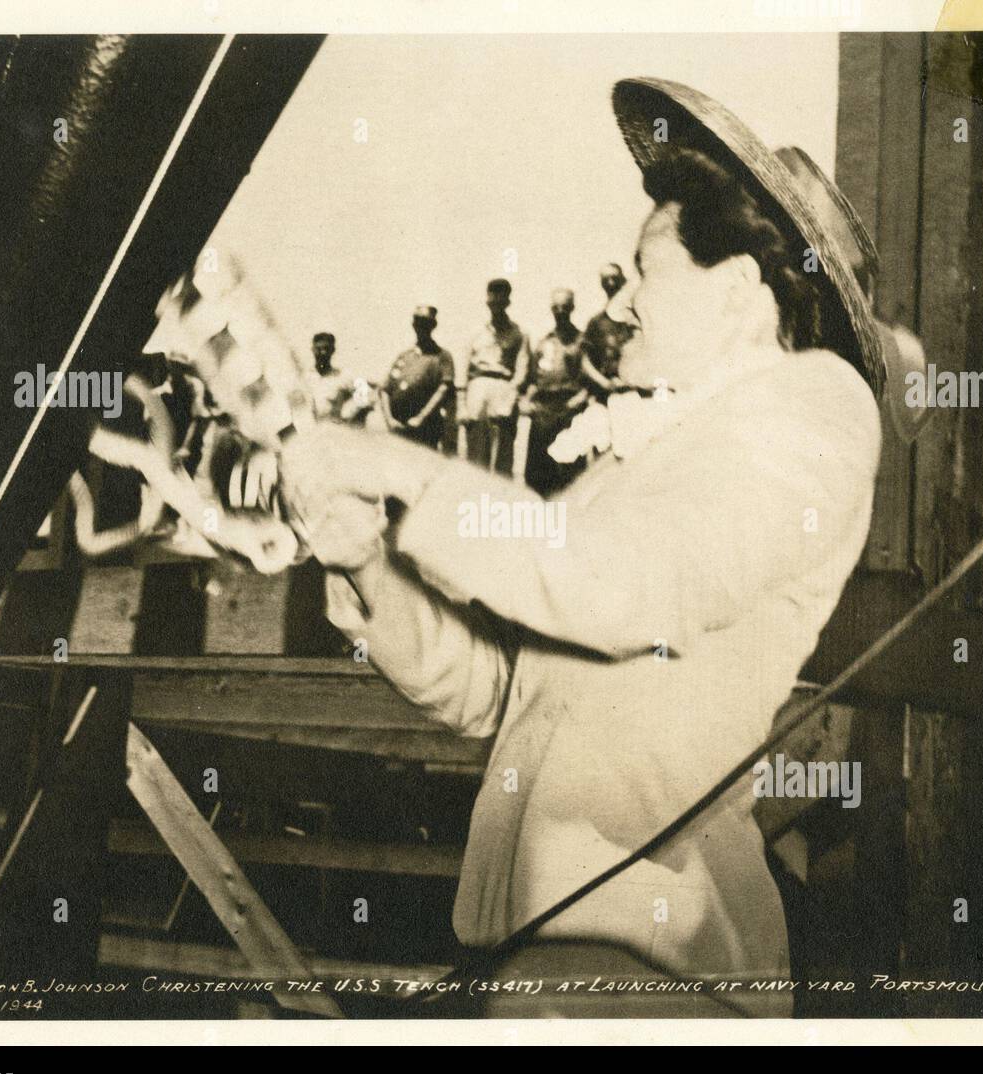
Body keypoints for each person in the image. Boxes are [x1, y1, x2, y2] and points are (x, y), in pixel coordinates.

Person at [216, 79, 884, 1015]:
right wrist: (368, 559)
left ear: (738, 291)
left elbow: (617, 586)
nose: (629, 303)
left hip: (655, 963)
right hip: (541, 951)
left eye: (649, 270)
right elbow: (498, 690)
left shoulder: (812, 406)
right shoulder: (648, 450)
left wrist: (392, 465)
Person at [521, 288, 589, 495]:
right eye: (556, 307)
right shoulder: (544, 342)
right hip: (544, 410)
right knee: (538, 474)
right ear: (552, 309)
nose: (561, 311)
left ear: (572, 308)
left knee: (572, 472)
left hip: (570, 407)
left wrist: (580, 398)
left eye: (565, 307)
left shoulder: (582, 341)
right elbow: (532, 379)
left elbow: (590, 379)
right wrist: (526, 400)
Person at [459, 278, 529, 473]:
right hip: (477, 389)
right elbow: (463, 370)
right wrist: (462, 406)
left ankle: (500, 500)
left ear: (508, 301)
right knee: (475, 457)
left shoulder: (519, 334)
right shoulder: (475, 332)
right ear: (487, 301)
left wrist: (510, 399)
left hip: (503, 389)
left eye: (501, 298)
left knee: (503, 457)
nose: (496, 303)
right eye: (493, 297)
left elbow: (522, 371)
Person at [380, 306, 455, 450]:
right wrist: (389, 420)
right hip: (397, 427)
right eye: (418, 322)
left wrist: (420, 418)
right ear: (413, 325)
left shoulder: (442, 356)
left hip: (425, 429)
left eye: (426, 322)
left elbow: (444, 389)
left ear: (433, 325)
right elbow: (385, 389)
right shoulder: (404, 356)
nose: (422, 326)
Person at [581, 262, 637, 398]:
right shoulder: (597, 322)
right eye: (606, 280)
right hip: (609, 394)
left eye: (614, 278)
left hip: (639, 390)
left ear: (623, 280)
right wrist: (605, 383)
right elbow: (585, 358)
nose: (611, 283)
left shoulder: (639, 315)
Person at [308, 332, 368, 424]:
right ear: (312, 350)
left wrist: (349, 418)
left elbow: (366, 397)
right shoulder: (305, 378)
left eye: (326, 349)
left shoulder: (343, 376)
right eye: (318, 349)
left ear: (333, 350)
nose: (323, 352)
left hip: (336, 431)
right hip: (310, 432)